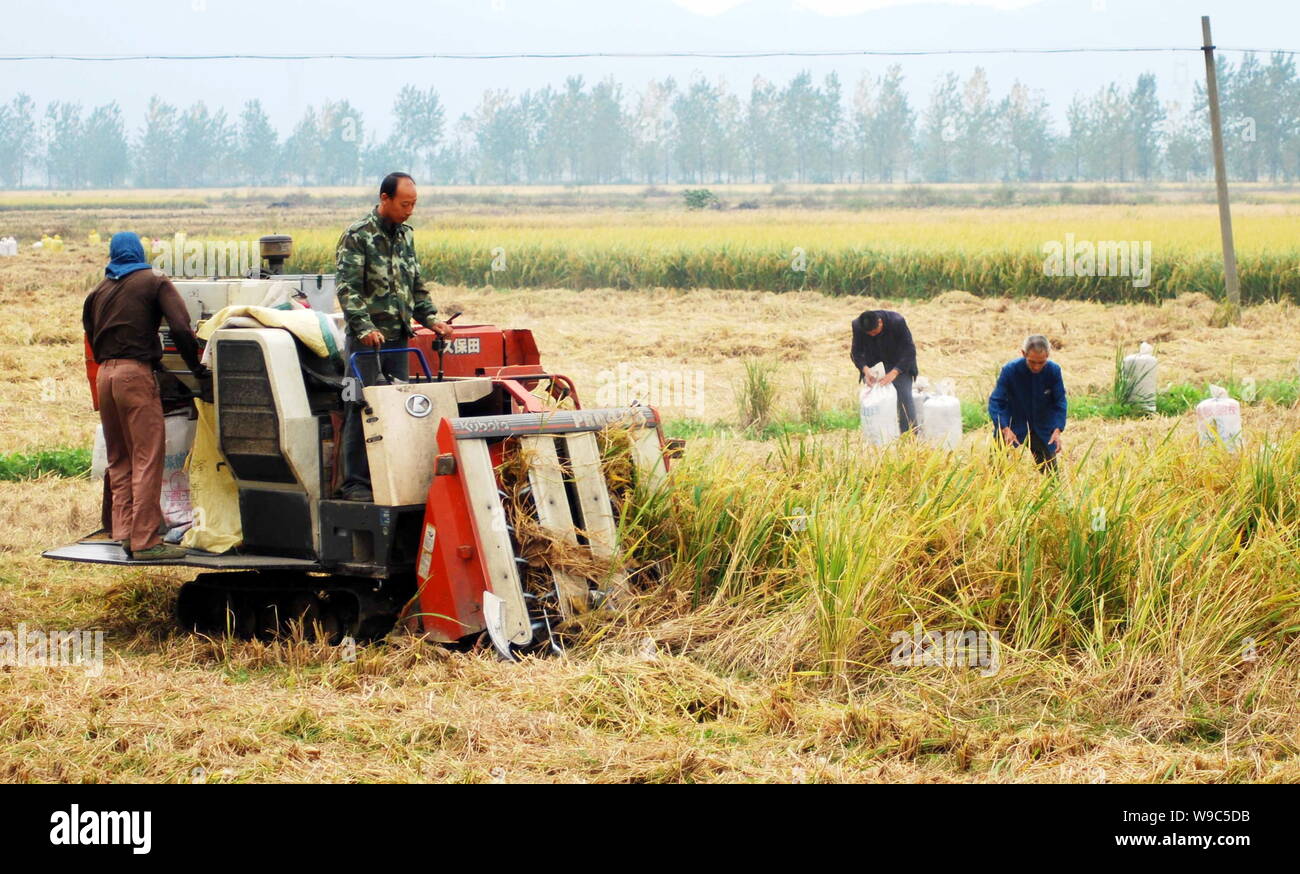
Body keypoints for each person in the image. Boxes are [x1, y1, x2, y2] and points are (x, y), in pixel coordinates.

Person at [82, 232, 205, 560]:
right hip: (134, 376)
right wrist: (197, 369)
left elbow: (92, 338)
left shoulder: (99, 290)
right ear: (140, 252)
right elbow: (181, 327)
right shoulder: (155, 281)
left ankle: (124, 533)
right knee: (147, 457)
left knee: (119, 458)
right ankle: (147, 540)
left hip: (105, 376)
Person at [335, 172, 453, 501]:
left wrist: (432, 320)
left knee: (401, 407)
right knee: (361, 405)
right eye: (404, 204)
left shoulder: (405, 237)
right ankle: (357, 484)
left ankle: (394, 475)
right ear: (384, 199)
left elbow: (414, 285)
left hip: (399, 339)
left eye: (414, 204)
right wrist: (364, 327)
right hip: (366, 342)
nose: (410, 210)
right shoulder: (358, 236)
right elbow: (348, 288)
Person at [988, 334, 1068, 472]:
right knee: (995, 470)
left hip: (1041, 425)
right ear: (1023, 354)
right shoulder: (1010, 370)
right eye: (1032, 362)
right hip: (1012, 422)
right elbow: (996, 401)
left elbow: (1059, 402)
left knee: (1051, 476)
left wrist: (1057, 429)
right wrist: (1004, 428)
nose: (1036, 367)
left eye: (1041, 362)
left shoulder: (1053, 371)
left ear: (1048, 355)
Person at [850, 309, 919, 434]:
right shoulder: (857, 325)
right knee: (875, 401)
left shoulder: (897, 322)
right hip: (874, 366)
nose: (872, 335)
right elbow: (856, 352)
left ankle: (910, 438)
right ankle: (879, 437)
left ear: (880, 322)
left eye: (874, 332)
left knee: (905, 400)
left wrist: (894, 373)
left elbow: (909, 351)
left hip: (899, 364)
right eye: (869, 333)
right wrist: (865, 369)